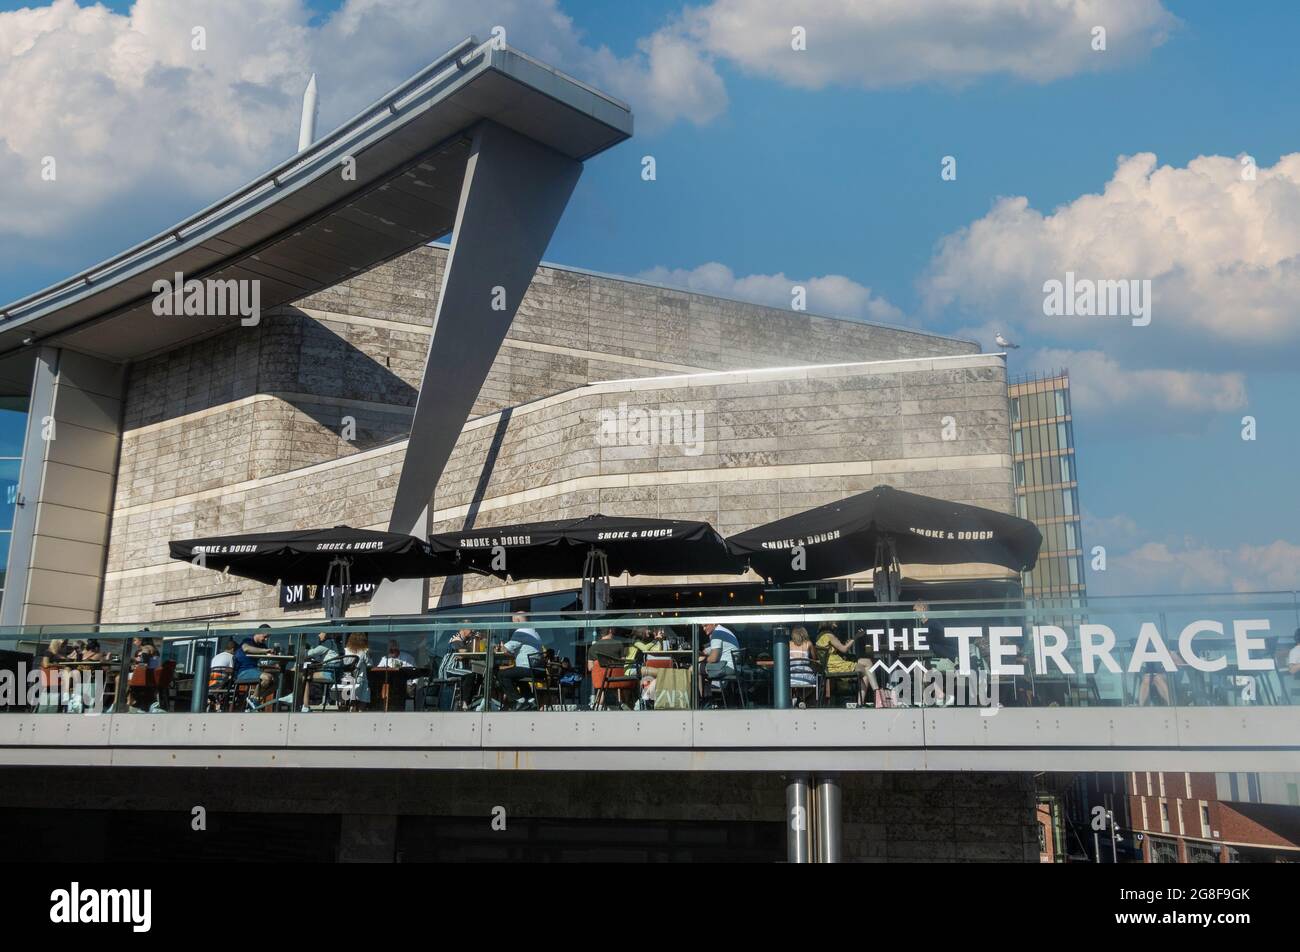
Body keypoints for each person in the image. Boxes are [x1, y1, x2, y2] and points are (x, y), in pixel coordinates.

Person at [498, 612, 544, 709]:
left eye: (513, 622)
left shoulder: (521, 631)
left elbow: (505, 648)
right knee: (515, 673)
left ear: (518, 620)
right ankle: (531, 700)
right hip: (537, 669)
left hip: (527, 668)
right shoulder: (534, 632)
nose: (512, 625)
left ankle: (518, 700)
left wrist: (500, 647)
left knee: (501, 674)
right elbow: (515, 651)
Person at [233, 625, 276, 710]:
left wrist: (274, 655)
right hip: (243, 672)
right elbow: (246, 649)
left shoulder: (262, 645)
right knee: (267, 677)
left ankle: (254, 699)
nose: (266, 639)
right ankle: (254, 700)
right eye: (265, 637)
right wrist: (265, 651)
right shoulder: (248, 640)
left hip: (254, 670)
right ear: (259, 632)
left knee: (276, 681)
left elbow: (269, 656)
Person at [699, 622, 740, 706]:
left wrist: (703, 660)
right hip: (733, 666)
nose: (703, 629)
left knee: (695, 668)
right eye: (702, 626)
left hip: (726, 667)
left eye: (705, 625)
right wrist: (704, 654)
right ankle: (708, 698)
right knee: (702, 665)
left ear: (714, 623)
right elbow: (714, 649)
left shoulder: (717, 634)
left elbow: (714, 658)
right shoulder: (722, 631)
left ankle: (702, 701)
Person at [788, 626, 818, 708]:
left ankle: (796, 698)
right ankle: (801, 698)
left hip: (791, 677)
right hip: (806, 677)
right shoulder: (809, 644)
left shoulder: (788, 644)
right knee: (816, 681)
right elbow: (814, 659)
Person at [341, 632, 372, 711]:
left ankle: (350, 708)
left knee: (350, 696)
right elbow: (369, 664)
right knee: (364, 694)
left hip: (346, 678)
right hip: (359, 678)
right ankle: (360, 712)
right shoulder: (363, 651)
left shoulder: (345, 650)